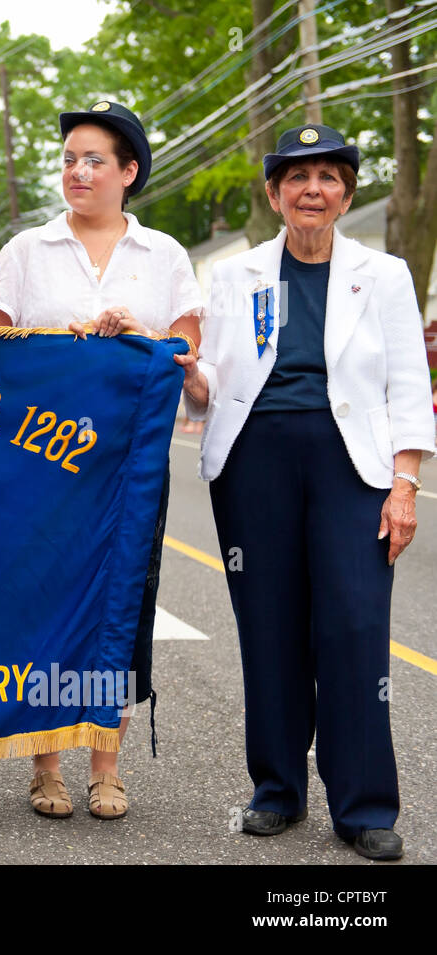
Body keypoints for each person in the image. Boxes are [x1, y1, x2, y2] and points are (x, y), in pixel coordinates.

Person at [181, 124, 434, 861]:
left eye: (327, 177)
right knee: (271, 627)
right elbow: (217, 381)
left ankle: (364, 806)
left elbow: (407, 387)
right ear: (274, 193)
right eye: (297, 178)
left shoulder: (383, 274)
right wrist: (189, 377)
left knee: (354, 627)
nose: (312, 190)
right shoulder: (237, 275)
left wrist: (406, 483)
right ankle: (277, 790)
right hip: (254, 457)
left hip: (351, 460)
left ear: (346, 192)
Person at [0, 101, 204, 821]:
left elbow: (191, 361)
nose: (76, 171)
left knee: (123, 609)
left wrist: (139, 334)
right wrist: (60, 349)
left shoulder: (164, 255)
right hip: (40, 469)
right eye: (69, 158)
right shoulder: (24, 251)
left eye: (94, 159)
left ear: (129, 172)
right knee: (41, 605)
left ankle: (106, 764)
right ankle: (44, 764)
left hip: (130, 471)